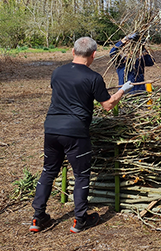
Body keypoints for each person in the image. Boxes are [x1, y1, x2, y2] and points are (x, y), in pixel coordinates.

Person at [30, 37, 133, 234]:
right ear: (93, 54)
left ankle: (38, 217)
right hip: (75, 133)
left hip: (51, 129)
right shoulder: (93, 78)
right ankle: (80, 219)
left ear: (72, 51)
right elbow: (107, 105)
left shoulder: (57, 72)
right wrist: (122, 91)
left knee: (48, 171)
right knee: (81, 175)